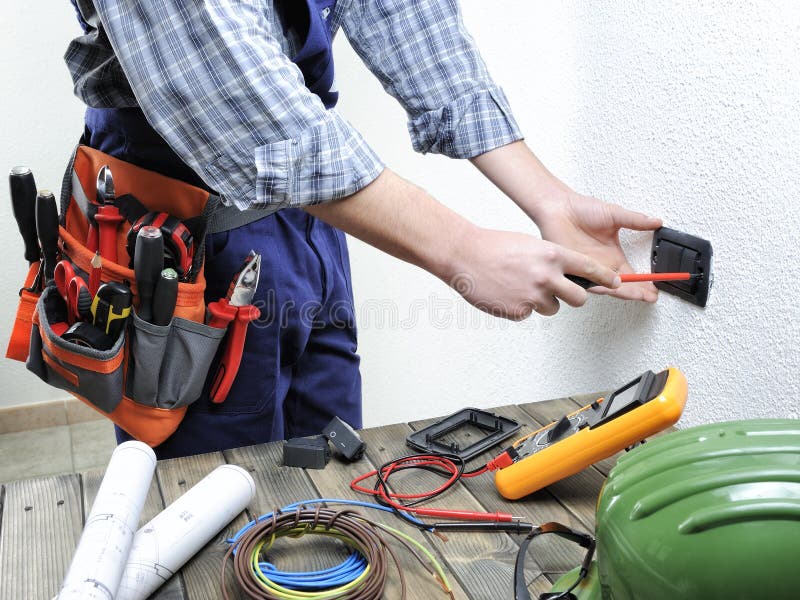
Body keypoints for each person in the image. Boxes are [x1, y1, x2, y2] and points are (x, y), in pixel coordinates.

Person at [64, 0, 662, 459]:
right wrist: (463, 250)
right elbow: (240, 104)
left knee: (331, 465)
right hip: (188, 239)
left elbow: (406, 17)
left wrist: (549, 199)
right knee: (217, 499)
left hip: (316, 212)